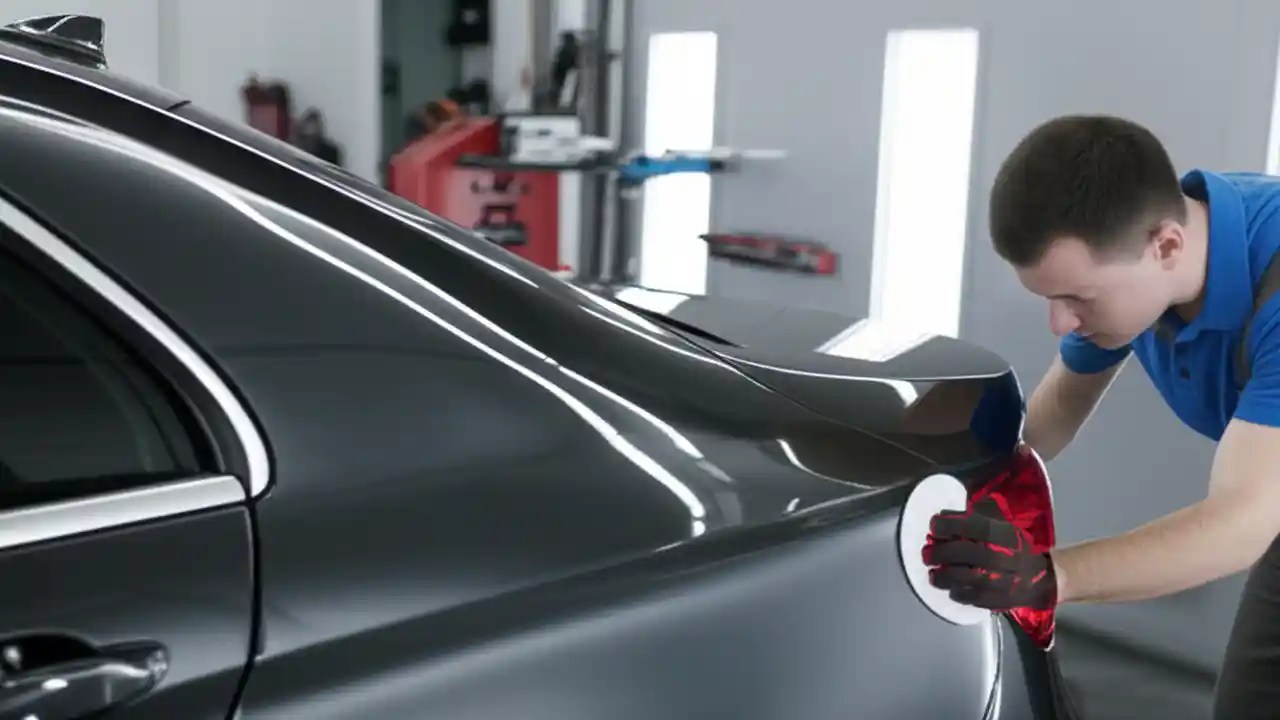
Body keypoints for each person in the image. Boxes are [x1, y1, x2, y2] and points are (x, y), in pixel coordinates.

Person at [921, 114, 1280, 718]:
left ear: (1166, 245)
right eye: (1051, 298)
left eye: (1077, 300)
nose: (1060, 324)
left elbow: (1240, 523)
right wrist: (937, 465)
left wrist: (1047, 578)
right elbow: (1055, 411)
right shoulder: (1146, 264)